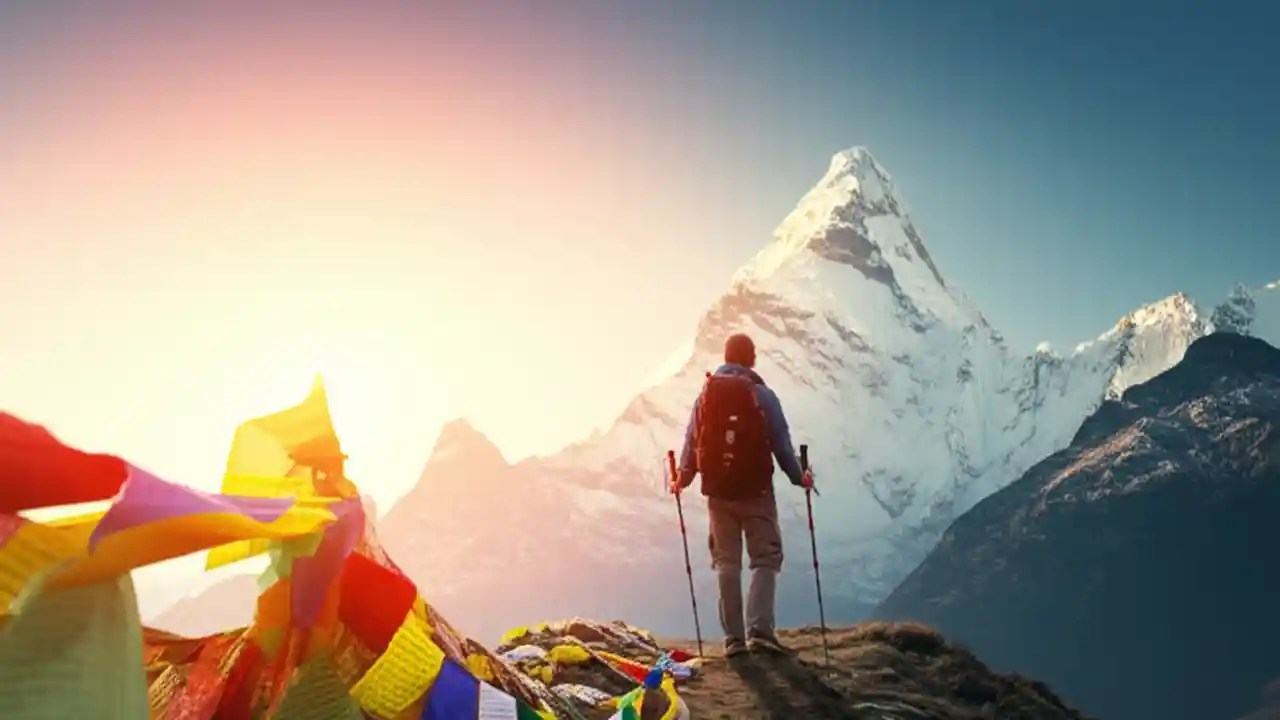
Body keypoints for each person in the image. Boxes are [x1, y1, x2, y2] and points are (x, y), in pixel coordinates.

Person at [671, 333, 814, 657]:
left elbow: (692, 441)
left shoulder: (705, 396)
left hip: (718, 493)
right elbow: (781, 444)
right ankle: (760, 632)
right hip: (757, 492)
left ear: (725, 356)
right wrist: (799, 478)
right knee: (765, 558)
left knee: (727, 562)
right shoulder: (762, 395)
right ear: (751, 359)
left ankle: (734, 640)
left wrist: (683, 478)